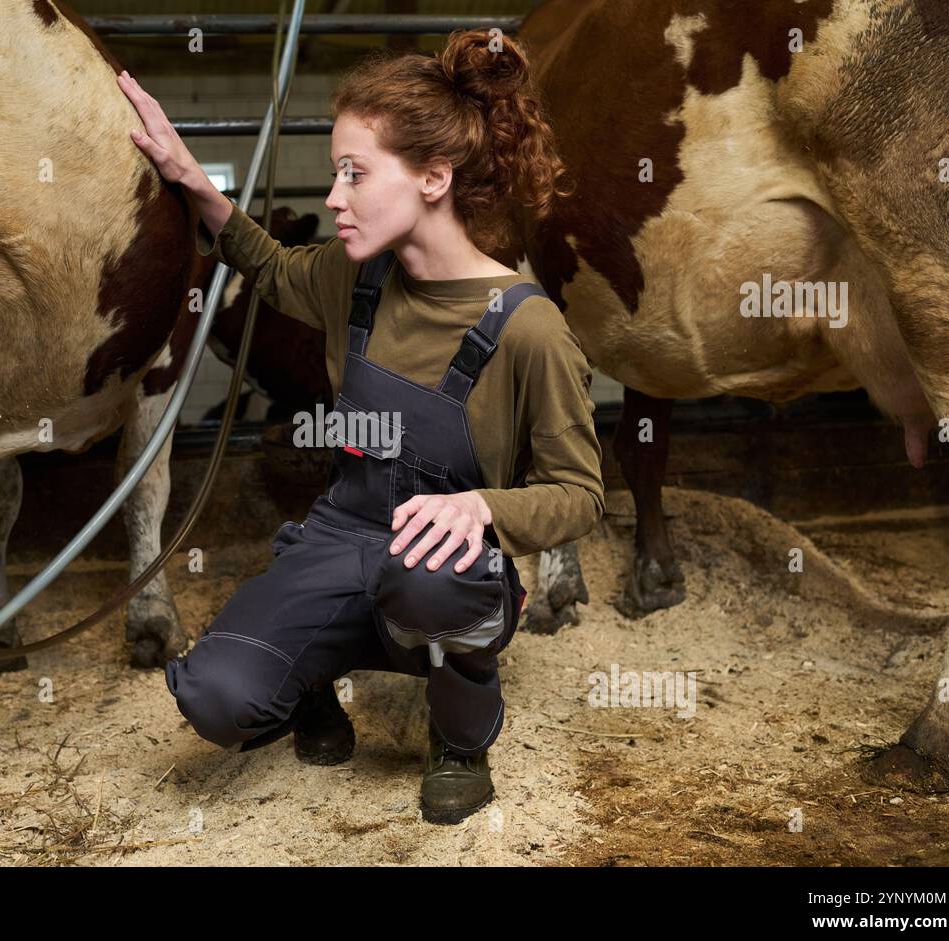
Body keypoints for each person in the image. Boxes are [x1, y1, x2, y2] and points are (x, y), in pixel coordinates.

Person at [116, 28, 604, 824]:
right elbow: (270, 266)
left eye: (354, 174)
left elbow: (580, 495)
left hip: (444, 564)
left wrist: (481, 508)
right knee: (215, 697)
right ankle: (311, 681)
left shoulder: (528, 328)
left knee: (431, 578)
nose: (334, 197)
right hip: (345, 534)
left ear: (434, 177)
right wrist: (188, 177)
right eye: (335, 173)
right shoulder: (355, 278)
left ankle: (459, 737)